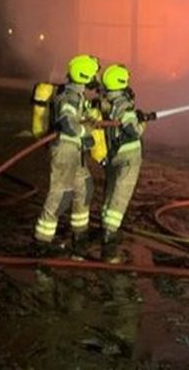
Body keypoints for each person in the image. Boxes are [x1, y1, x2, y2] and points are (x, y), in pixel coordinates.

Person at [33, 54, 101, 257]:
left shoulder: (77, 94)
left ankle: (80, 236)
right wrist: (86, 131)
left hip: (75, 152)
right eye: (93, 75)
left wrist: (91, 116)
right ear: (84, 75)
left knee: (85, 188)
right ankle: (42, 242)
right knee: (61, 196)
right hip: (65, 151)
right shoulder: (70, 96)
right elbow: (68, 123)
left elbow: (78, 118)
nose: (95, 79)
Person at [98, 64, 145, 263]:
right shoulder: (124, 105)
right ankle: (110, 239)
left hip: (112, 156)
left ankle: (105, 226)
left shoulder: (106, 101)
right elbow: (134, 131)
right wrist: (142, 122)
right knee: (120, 196)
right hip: (129, 157)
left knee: (110, 192)